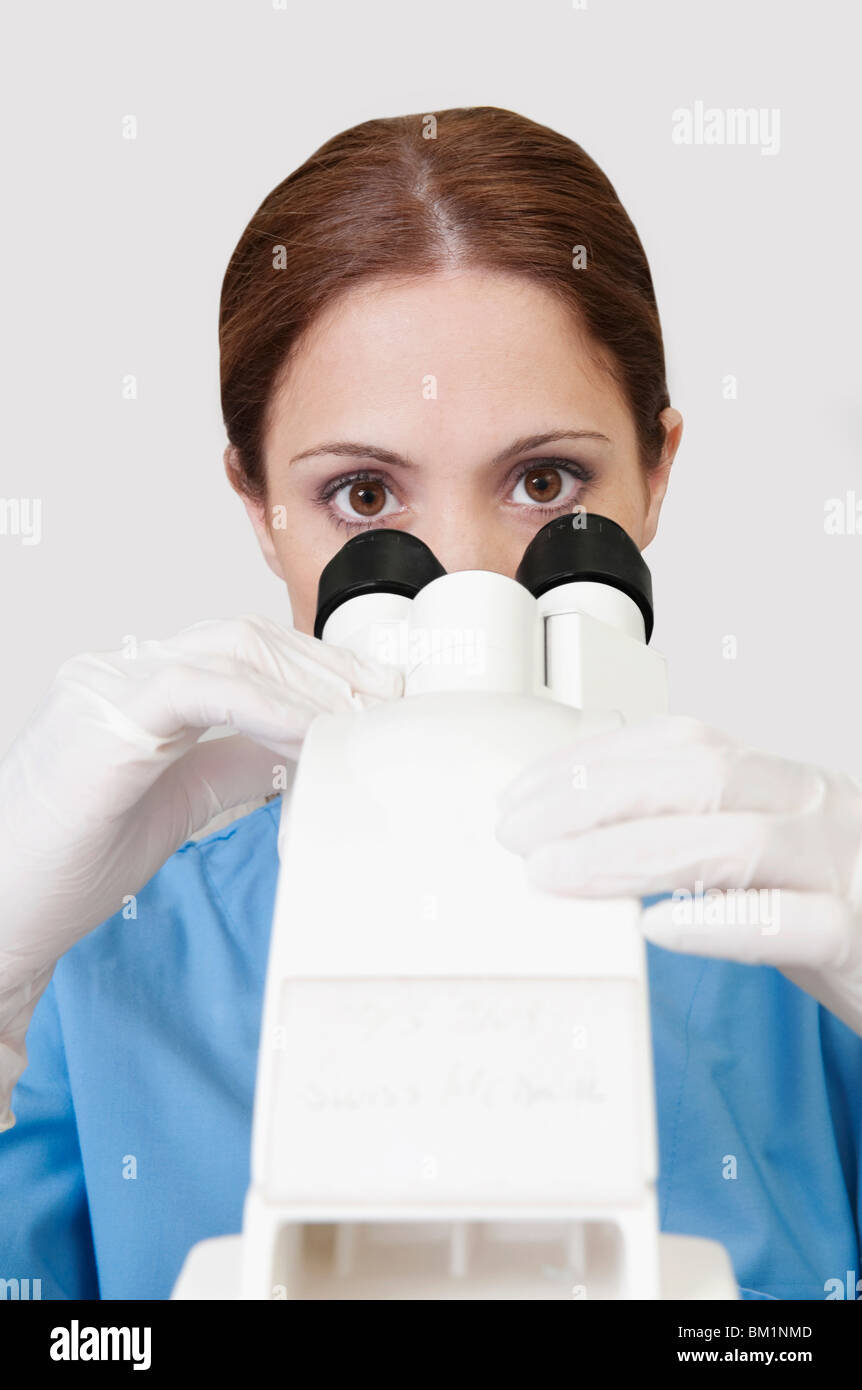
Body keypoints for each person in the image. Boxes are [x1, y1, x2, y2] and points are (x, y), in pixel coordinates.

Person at [1, 106, 861, 1302]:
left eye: (544, 481)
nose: (465, 582)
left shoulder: (807, 934)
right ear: (256, 505)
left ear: (657, 473)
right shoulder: (102, 972)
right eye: (362, 496)